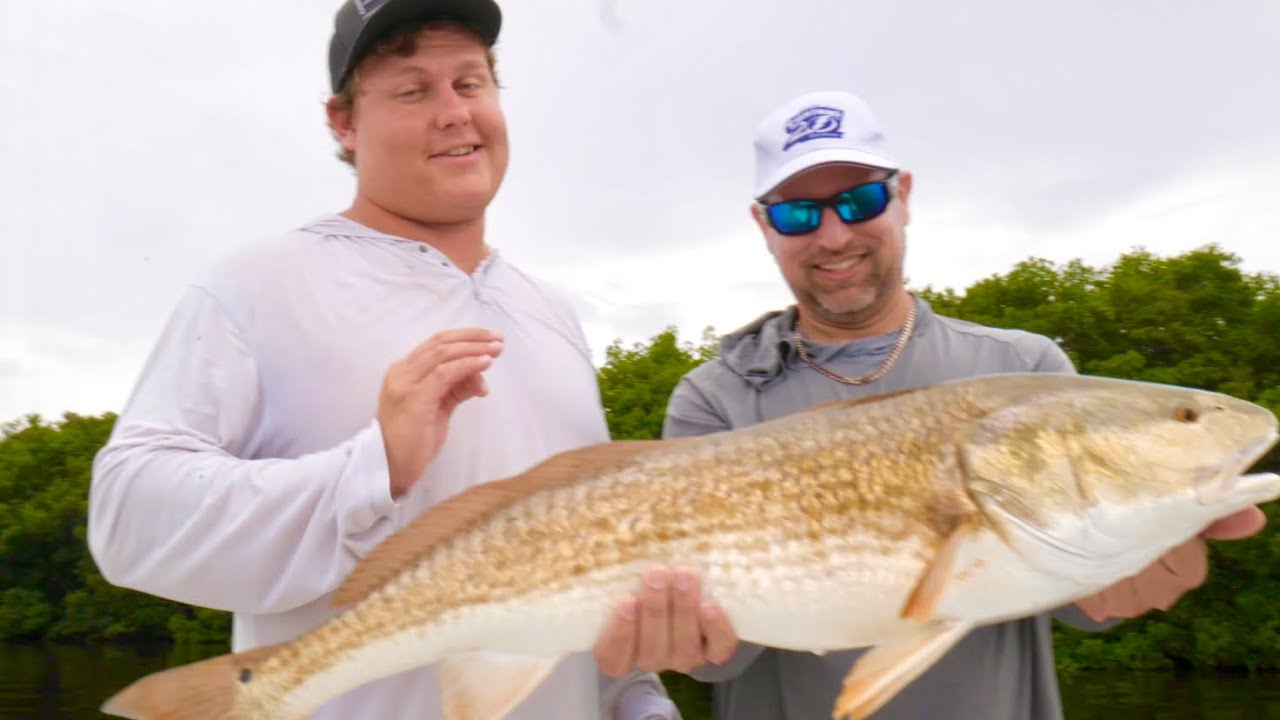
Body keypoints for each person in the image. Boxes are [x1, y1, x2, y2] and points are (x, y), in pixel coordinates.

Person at [591, 89, 1267, 719]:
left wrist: (1130, 578)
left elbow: (1082, 603)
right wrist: (680, 638)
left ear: (904, 195)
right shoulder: (717, 398)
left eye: (858, 201)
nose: (832, 237)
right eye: (798, 214)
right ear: (763, 227)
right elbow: (713, 663)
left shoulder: (1026, 370)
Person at [87, 1, 680, 718]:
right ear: (343, 121)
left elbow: (584, 576)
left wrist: (641, 703)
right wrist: (373, 471)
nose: (454, 113)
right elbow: (124, 519)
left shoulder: (554, 316)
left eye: (470, 83)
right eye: (412, 89)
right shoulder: (256, 285)